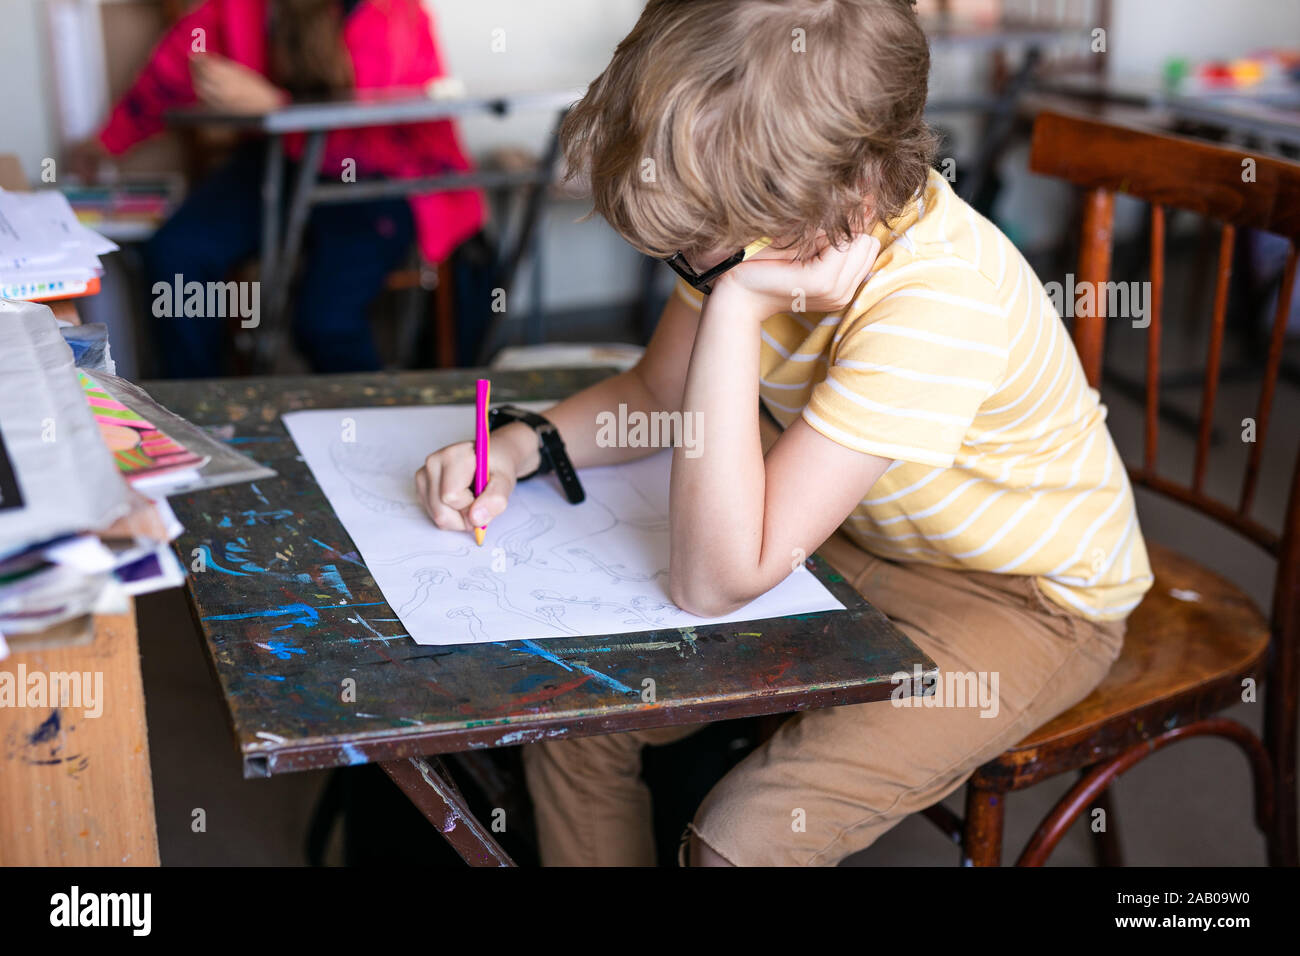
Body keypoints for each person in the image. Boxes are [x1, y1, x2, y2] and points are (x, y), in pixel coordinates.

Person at [415, 0, 1154, 867]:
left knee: (743, 839)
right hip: (856, 532)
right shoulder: (760, 227)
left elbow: (712, 581)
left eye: (705, 255)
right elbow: (658, 392)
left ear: (849, 202)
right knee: (576, 717)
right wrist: (517, 444)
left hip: (1025, 598)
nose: (691, 269)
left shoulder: (934, 303)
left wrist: (735, 304)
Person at [71, 0, 483, 376]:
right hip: (280, 164)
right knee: (176, 255)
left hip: (381, 179)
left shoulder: (394, 15)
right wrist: (106, 143)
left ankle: (371, 427)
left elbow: (380, 134)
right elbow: (171, 71)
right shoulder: (238, 10)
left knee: (325, 320)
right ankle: (200, 411)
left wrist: (277, 107)